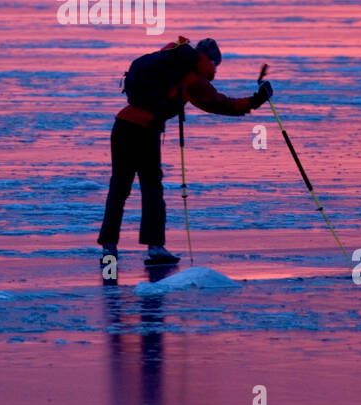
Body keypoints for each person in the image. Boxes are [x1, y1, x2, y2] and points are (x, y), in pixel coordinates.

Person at [98, 36, 273, 266]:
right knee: (151, 189)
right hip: (144, 131)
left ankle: (109, 248)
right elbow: (219, 104)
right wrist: (255, 101)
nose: (215, 70)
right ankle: (155, 248)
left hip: (122, 125)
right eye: (216, 65)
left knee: (119, 188)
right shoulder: (192, 77)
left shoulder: (169, 61)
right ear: (211, 60)